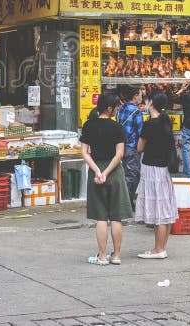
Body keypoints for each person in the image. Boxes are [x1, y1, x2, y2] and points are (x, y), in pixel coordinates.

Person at [79, 92, 132, 266]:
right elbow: (120, 154)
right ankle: (116, 256)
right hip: (115, 172)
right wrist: (108, 172)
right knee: (116, 217)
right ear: (109, 109)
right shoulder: (117, 128)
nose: (117, 109)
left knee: (101, 217)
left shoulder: (88, 126)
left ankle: (102, 256)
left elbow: (85, 153)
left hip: (96, 170)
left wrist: (98, 171)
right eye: (116, 107)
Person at [135, 92, 179, 259]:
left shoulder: (150, 124)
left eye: (146, 100)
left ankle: (158, 250)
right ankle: (161, 248)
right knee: (165, 210)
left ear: (151, 103)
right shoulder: (166, 122)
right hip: (164, 170)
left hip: (152, 169)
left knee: (158, 211)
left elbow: (140, 147)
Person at [115, 85, 144, 208]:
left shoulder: (120, 109)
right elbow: (140, 132)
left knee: (124, 173)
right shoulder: (136, 112)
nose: (141, 97)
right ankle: (126, 202)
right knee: (133, 174)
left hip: (120, 146)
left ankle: (123, 200)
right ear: (135, 96)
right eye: (140, 94)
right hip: (132, 147)